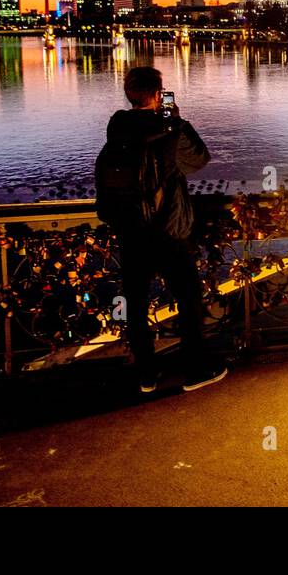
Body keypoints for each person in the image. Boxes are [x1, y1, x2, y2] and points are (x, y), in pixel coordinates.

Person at [95, 66, 227, 394]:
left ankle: (146, 375)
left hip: (131, 231)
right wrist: (177, 121)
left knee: (137, 304)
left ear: (129, 95)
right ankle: (195, 370)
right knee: (189, 298)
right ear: (157, 94)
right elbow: (199, 159)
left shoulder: (118, 129)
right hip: (168, 229)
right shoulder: (170, 129)